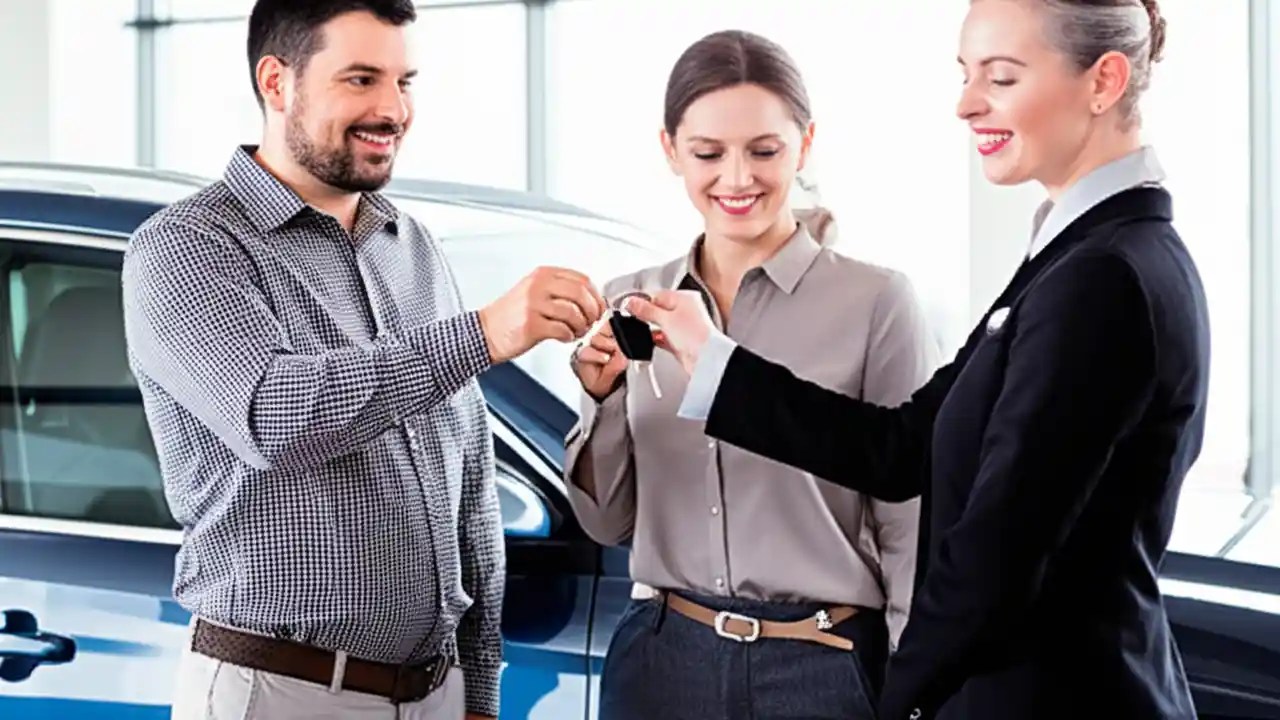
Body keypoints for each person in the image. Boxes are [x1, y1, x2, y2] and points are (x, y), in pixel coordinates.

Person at [628, 2, 1206, 719]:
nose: (967, 104)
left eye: (1001, 77)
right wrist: (711, 358)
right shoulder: (1077, 255)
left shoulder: (1102, 276)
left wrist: (894, 699)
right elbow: (901, 447)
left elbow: (995, 556)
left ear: (1104, 81)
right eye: (967, 75)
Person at [121, 2, 604, 718]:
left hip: (435, 692)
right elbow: (276, 419)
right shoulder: (186, 247)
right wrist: (481, 335)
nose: (394, 110)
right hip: (280, 692)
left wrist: (479, 684)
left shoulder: (411, 245)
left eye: (404, 81)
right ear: (277, 82)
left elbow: (469, 474)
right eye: (361, 79)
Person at [564, 29, 938, 720]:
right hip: (661, 662)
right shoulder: (632, 299)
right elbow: (606, 522)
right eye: (708, 153)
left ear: (806, 142)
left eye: (764, 151)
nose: (737, 179)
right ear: (670, 150)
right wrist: (602, 399)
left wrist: (916, 689)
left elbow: (911, 521)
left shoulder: (876, 302)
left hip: (823, 667)